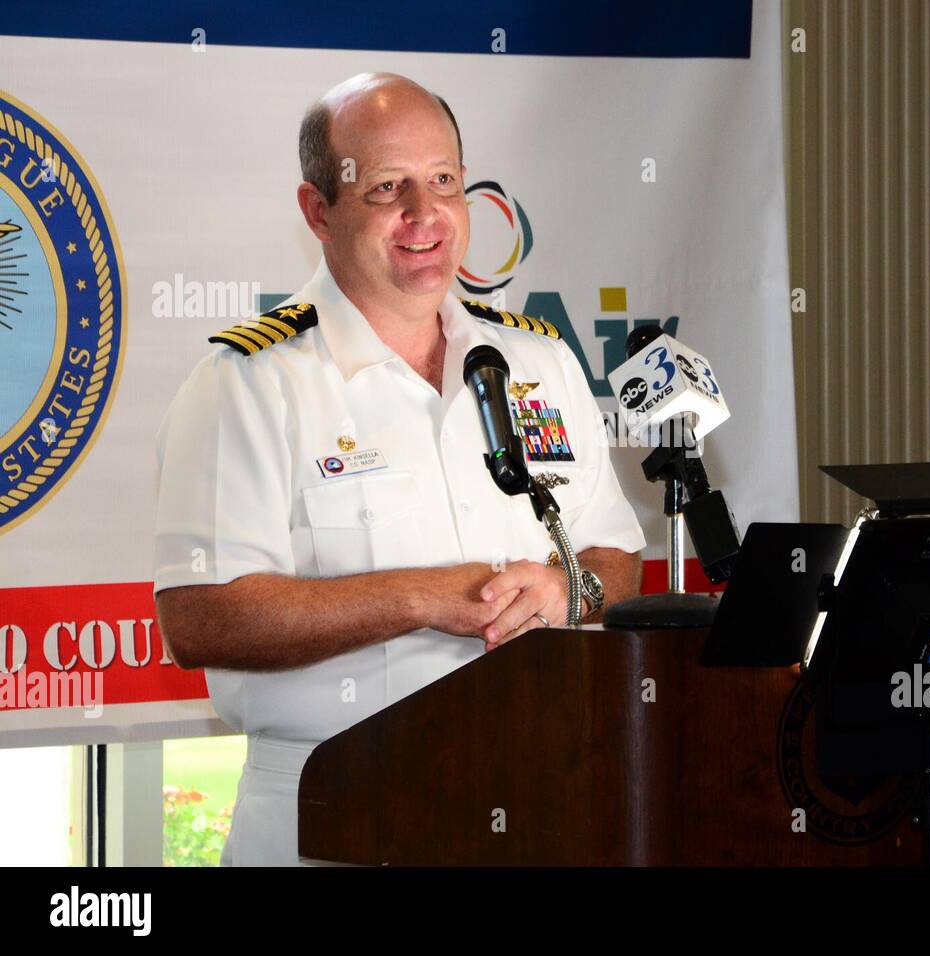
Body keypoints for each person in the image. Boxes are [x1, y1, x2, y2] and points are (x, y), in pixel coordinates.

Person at [151, 73, 646, 866]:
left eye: (444, 181)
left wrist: (565, 587)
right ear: (319, 211)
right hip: (336, 813)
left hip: (538, 804)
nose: (427, 215)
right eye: (388, 188)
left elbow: (617, 565)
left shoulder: (538, 361)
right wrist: (424, 597)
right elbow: (200, 617)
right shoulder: (248, 383)